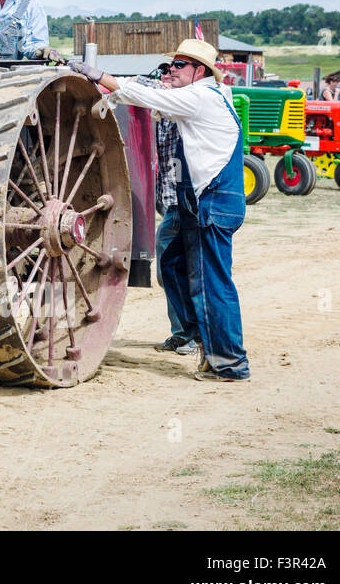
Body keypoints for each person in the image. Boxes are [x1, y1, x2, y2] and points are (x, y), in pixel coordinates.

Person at [71, 38, 249, 382]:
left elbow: (150, 97)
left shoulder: (199, 98)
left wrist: (99, 75)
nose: (171, 70)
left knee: (212, 281)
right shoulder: (211, 95)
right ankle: (195, 335)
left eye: (178, 65)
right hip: (200, 201)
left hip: (211, 201)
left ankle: (228, 363)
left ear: (199, 71)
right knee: (171, 261)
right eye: (169, 66)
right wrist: (119, 88)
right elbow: (154, 94)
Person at [152, 77, 197, 356]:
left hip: (181, 201)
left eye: (174, 70)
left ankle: (187, 335)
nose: (165, 78)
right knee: (174, 267)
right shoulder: (166, 111)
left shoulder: (186, 106)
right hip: (173, 200)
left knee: (171, 266)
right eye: (163, 72)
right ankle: (184, 334)